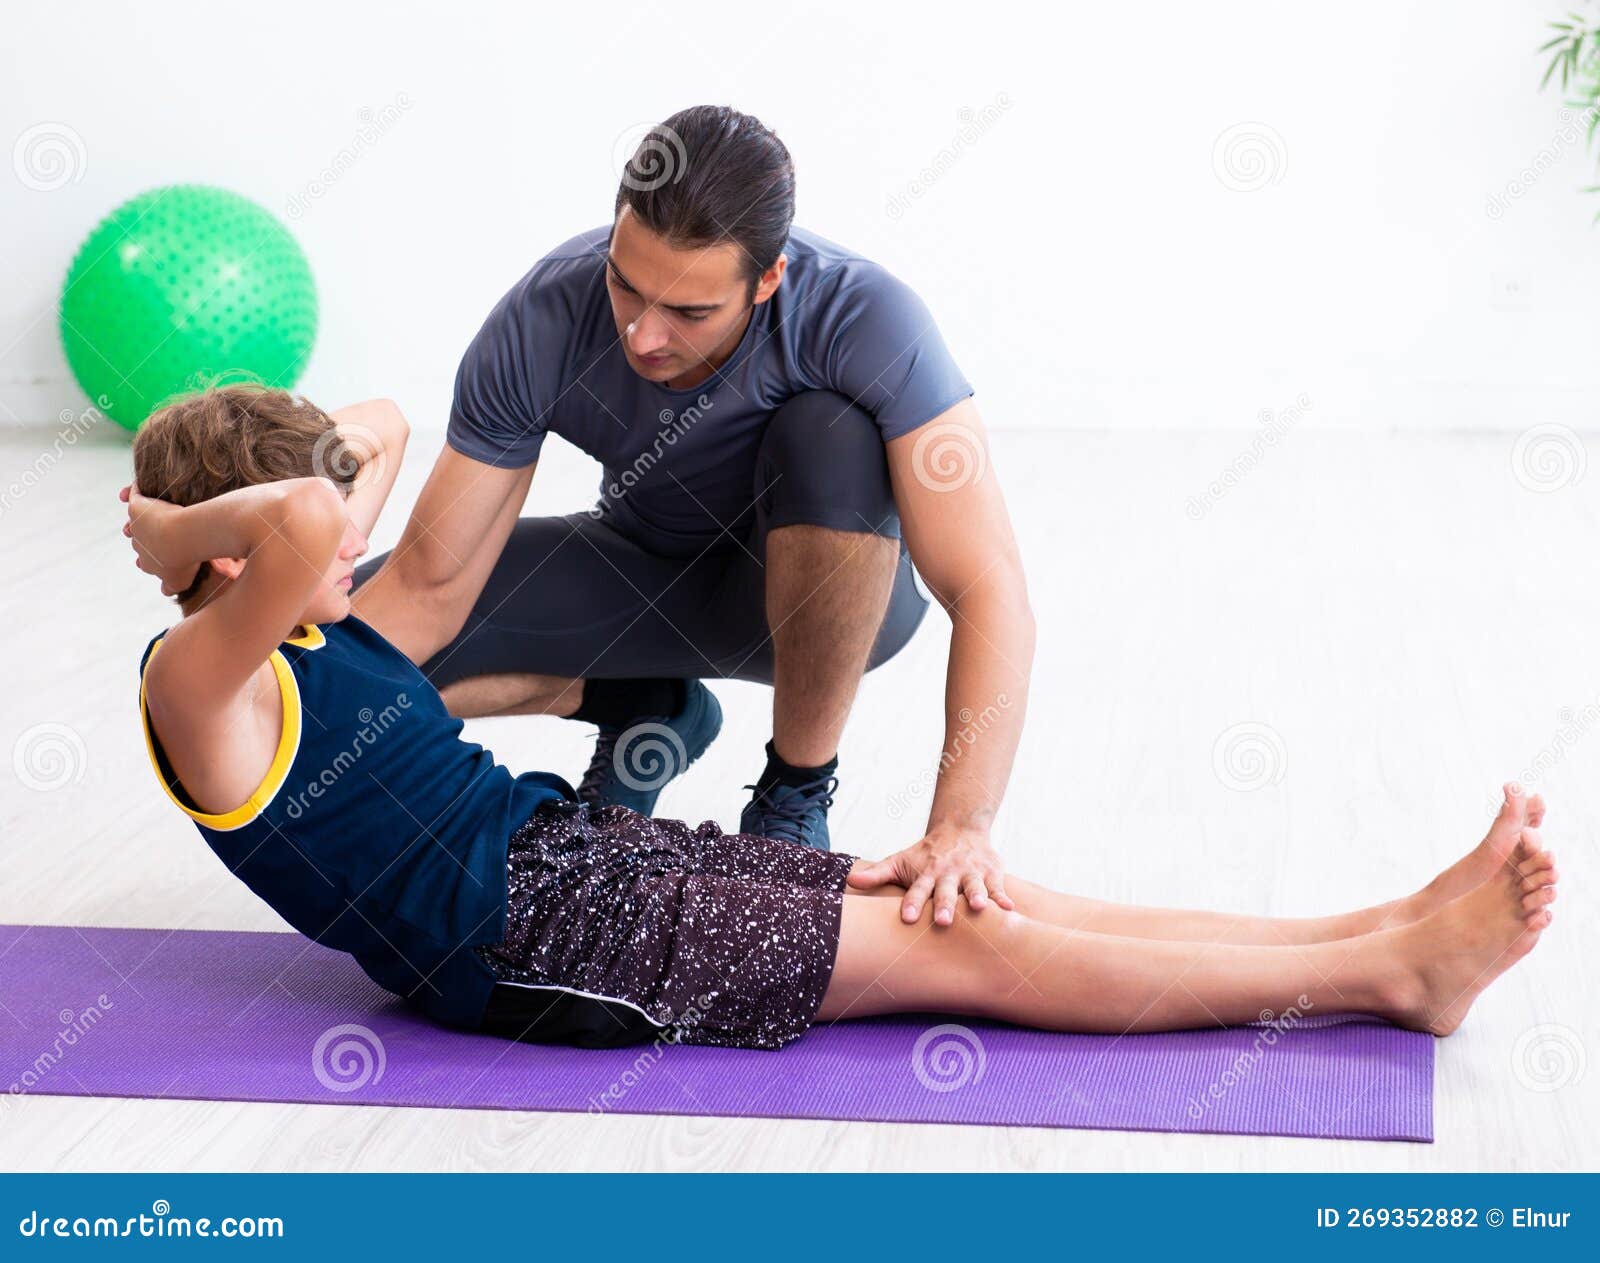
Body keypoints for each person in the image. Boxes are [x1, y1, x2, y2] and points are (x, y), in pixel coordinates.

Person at [124, 386, 1557, 1051]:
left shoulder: (331, 621)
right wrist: (194, 521)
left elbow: (365, 432)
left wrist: (247, 508)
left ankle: (1374, 929)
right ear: (235, 558)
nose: (351, 534)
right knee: (972, 950)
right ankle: (1389, 982)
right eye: (304, 534)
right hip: (532, 949)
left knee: (971, 883)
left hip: (579, 861)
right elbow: (320, 500)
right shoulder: (203, 684)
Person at [352, 105, 1034, 933]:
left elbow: (988, 589)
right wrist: (274, 694)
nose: (643, 336)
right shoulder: (543, 315)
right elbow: (429, 580)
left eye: (688, 312)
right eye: (626, 287)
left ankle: (795, 788)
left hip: (834, 600)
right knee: (359, 653)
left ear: (769, 278)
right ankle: (650, 705)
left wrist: (961, 830)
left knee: (832, 434)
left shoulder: (865, 315)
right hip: (642, 569)